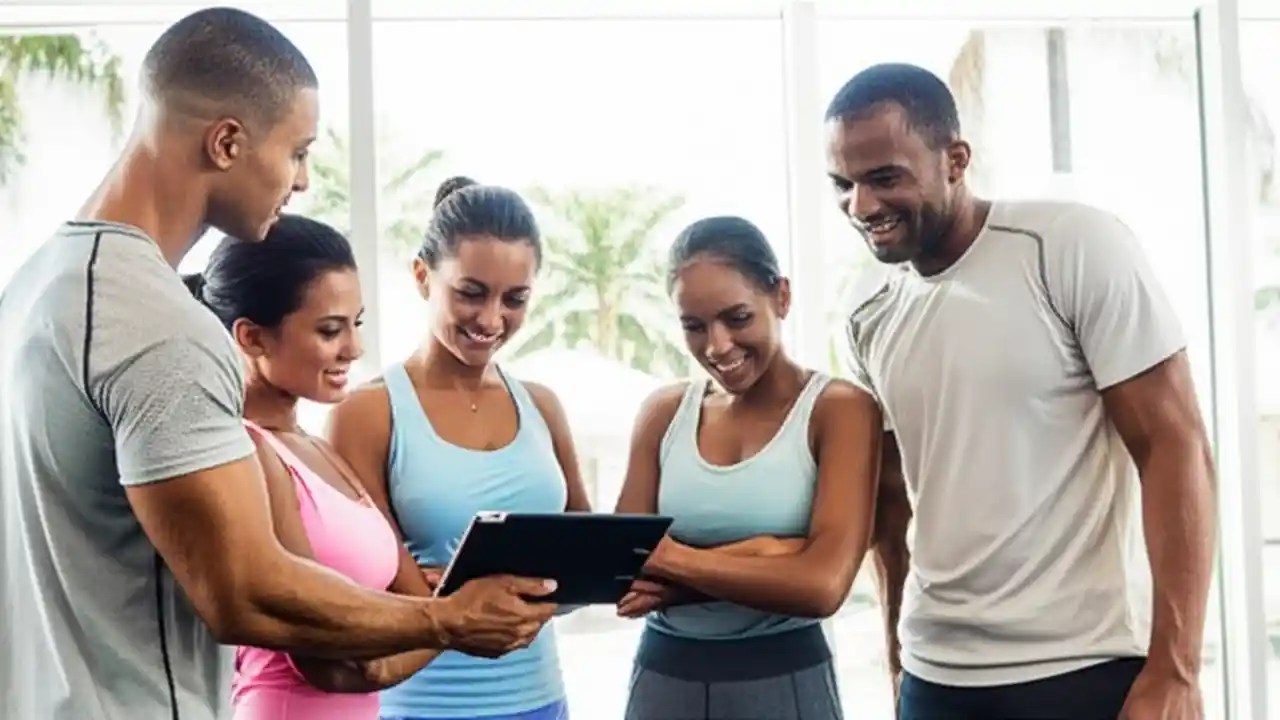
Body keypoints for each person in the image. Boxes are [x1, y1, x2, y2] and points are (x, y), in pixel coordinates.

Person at [0, 10, 554, 720]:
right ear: (227, 142)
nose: (303, 181)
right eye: (297, 152)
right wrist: (446, 618)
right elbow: (244, 591)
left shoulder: (38, 284)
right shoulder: (156, 323)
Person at [826, 63, 1216, 720]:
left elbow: (1175, 446)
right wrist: (897, 663)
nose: (860, 206)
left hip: (1085, 666)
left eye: (884, 178)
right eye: (843, 184)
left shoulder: (1070, 245)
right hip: (935, 676)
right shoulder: (868, 310)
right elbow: (890, 510)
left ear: (955, 161)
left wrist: (1176, 668)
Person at [183, 214, 479, 718]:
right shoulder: (249, 453)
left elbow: (413, 601)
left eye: (355, 324)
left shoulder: (321, 451)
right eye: (329, 330)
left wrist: (447, 611)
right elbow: (335, 667)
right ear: (252, 337)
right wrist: (457, 620)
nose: (354, 348)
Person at [327, 176, 590, 720]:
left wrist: (474, 587)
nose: (491, 320)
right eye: (471, 293)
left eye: (515, 299)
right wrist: (465, 596)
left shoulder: (542, 406)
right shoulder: (367, 414)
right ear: (423, 276)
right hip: (420, 706)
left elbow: (586, 560)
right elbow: (365, 585)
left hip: (541, 701)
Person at [612, 215, 882, 720]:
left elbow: (823, 586)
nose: (716, 346)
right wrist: (771, 551)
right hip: (663, 680)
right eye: (694, 326)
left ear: (781, 297)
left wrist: (675, 567)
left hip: (785, 681)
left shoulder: (840, 410)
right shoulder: (663, 413)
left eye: (737, 318)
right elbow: (622, 568)